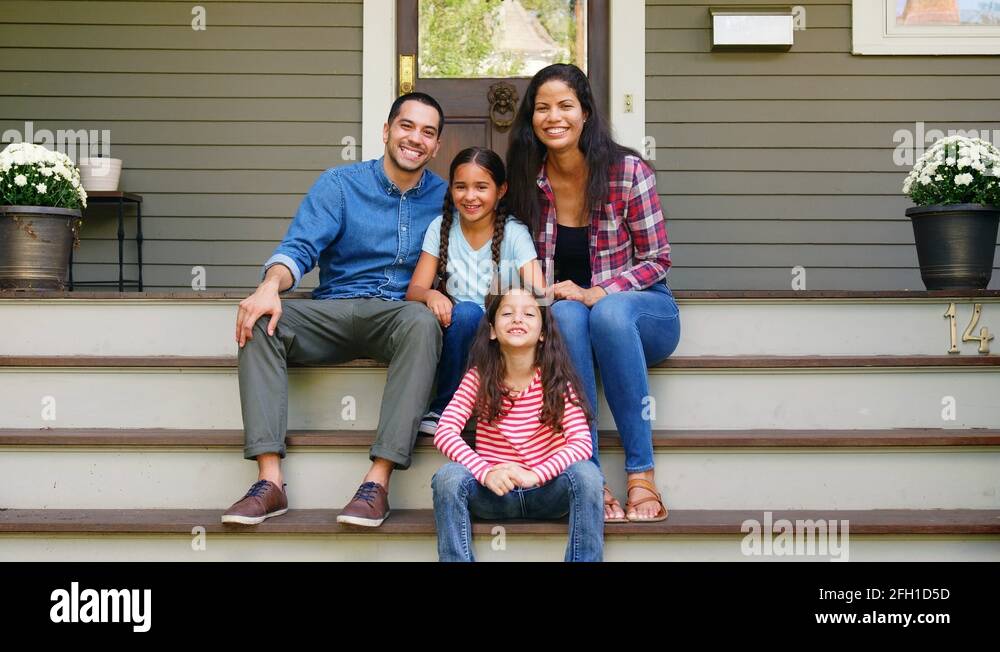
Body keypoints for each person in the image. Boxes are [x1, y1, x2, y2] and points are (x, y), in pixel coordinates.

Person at [221, 92, 448, 528]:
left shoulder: (446, 197)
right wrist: (269, 286)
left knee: (422, 323)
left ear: (436, 146)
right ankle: (269, 483)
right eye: (406, 126)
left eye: (427, 132)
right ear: (386, 131)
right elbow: (300, 247)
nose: (414, 138)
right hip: (335, 311)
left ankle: (376, 483)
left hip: (398, 318)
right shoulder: (340, 185)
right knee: (261, 320)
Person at [506, 63, 681, 523]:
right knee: (562, 317)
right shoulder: (528, 178)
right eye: (542, 108)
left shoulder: (627, 171)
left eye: (565, 105)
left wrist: (597, 291)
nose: (553, 116)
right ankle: (588, 475)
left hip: (645, 315)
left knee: (606, 313)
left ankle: (641, 472)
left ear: (585, 112)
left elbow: (657, 260)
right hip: (574, 321)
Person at [431, 288, 604, 562]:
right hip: (494, 493)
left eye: (529, 313)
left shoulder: (557, 381)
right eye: (508, 313)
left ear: (543, 333)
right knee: (447, 477)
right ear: (492, 330)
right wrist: (485, 472)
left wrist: (534, 475)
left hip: (547, 491)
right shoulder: (478, 378)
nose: (517, 319)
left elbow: (582, 444)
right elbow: (444, 432)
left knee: (587, 474)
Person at [406, 147, 544, 436]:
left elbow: (541, 293)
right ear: (451, 189)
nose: (470, 196)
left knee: (491, 317)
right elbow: (414, 289)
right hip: (458, 331)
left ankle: (509, 407)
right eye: (461, 187)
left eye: (481, 187)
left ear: (501, 190)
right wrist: (431, 295)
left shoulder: (514, 232)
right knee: (467, 313)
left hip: (503, 333)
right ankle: (444, 407)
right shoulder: (440, 227)